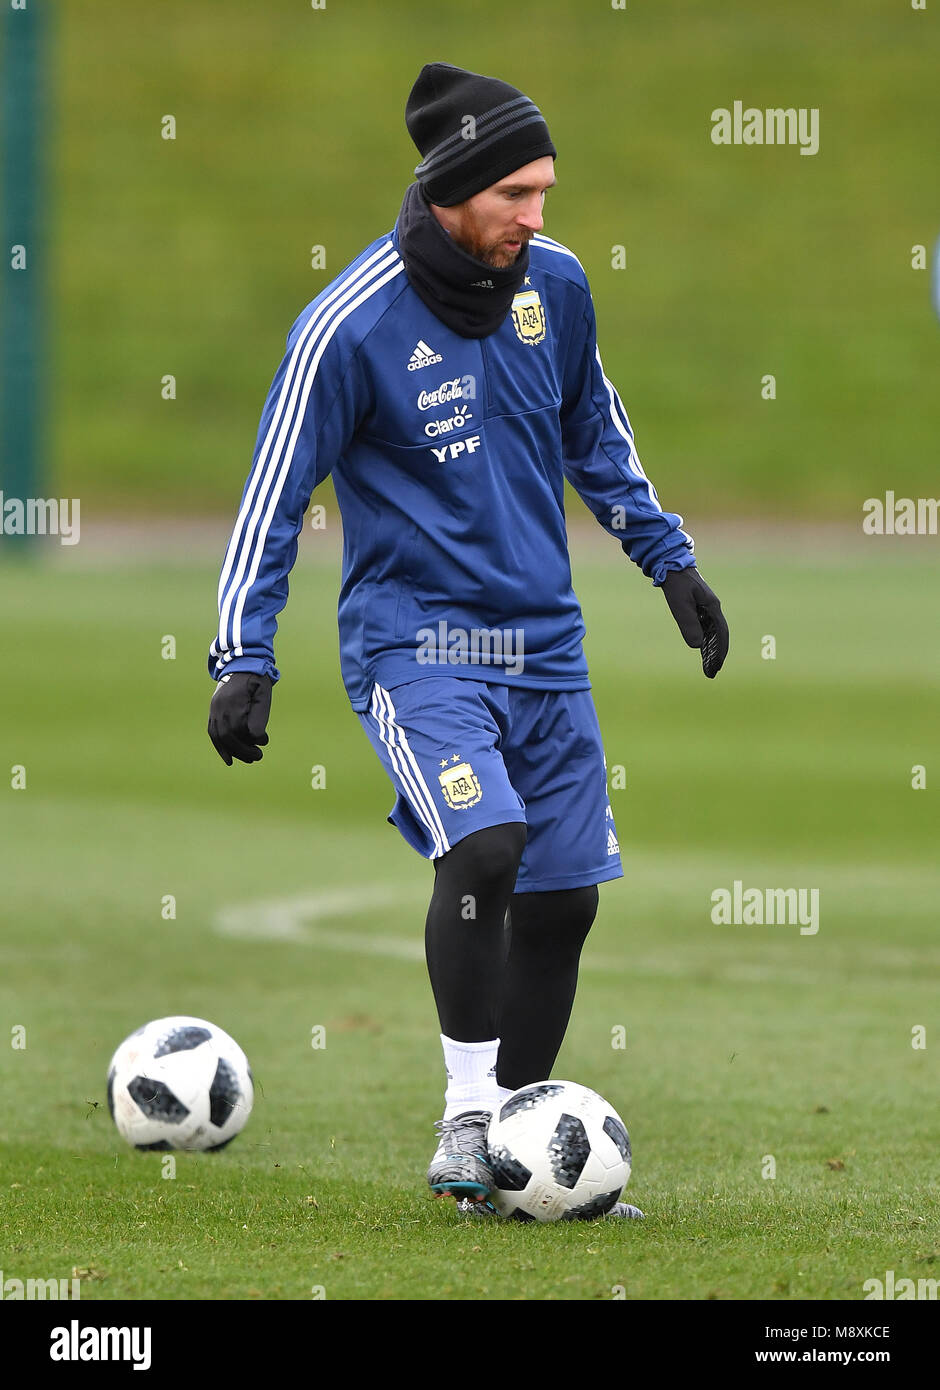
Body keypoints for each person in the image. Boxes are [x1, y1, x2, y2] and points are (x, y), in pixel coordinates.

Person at [207, 62, 728, 1219]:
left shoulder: (555, 285)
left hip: (545, 643)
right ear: (451, 189)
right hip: (418, 643)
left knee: (562, 899)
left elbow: (596, 427)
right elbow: (273, 493)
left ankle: (517, 1166)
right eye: (516, 194)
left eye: (546, 191)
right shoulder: (349, 324)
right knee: (484, 845)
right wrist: (244, 652)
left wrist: (670, 559)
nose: (538, 215)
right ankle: (464, 1115)